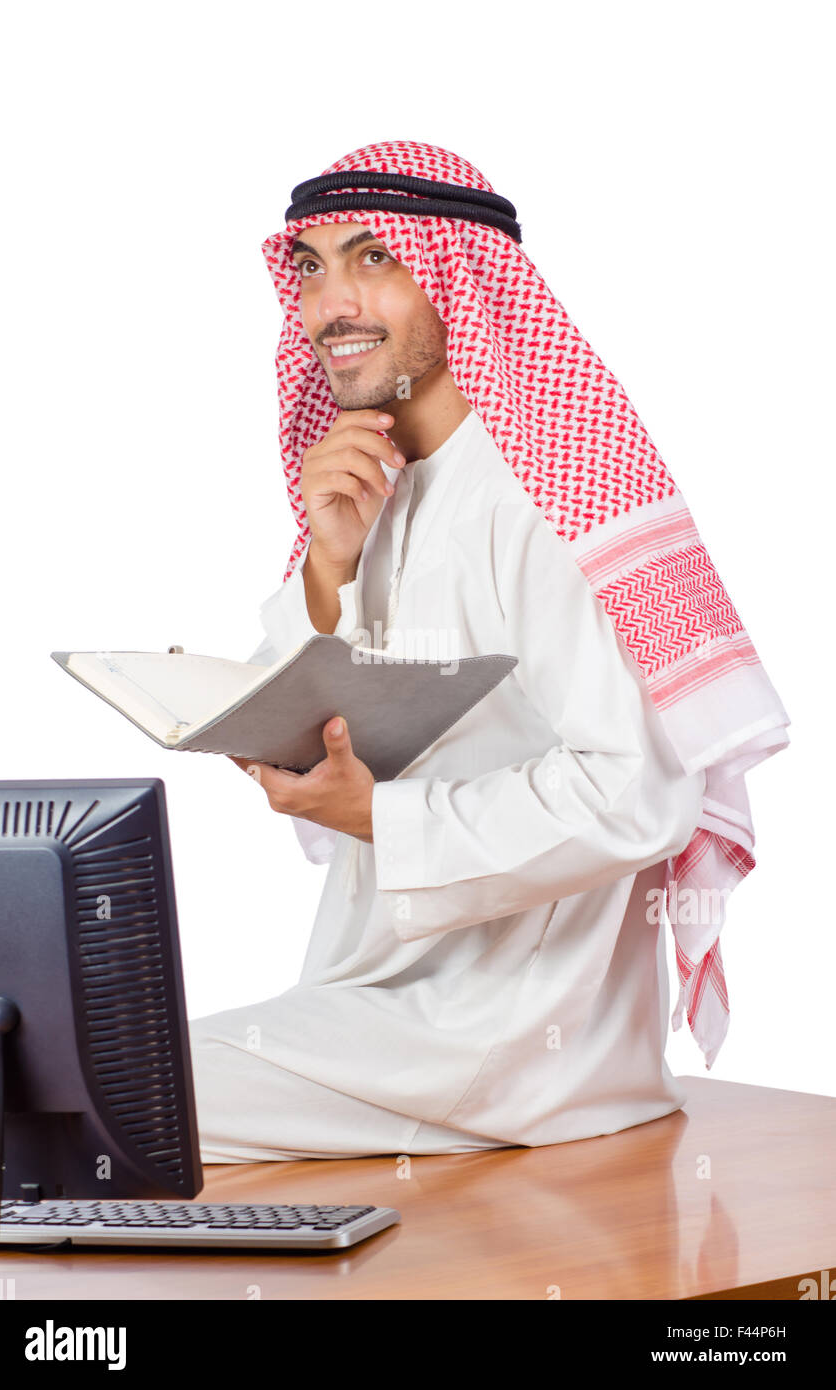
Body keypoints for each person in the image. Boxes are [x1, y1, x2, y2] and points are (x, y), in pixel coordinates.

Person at [188, 141, 790, 1161]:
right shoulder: (376, 484)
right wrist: (330, 569)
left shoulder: (551, 495)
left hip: (516, 1051)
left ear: (460, 274)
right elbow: (318, 732)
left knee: (95, 1090)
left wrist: (380, 814)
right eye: (312, 266)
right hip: (377, 1005)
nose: (334, 301)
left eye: (375, 257)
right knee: (70, 1079)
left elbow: (639, 794)